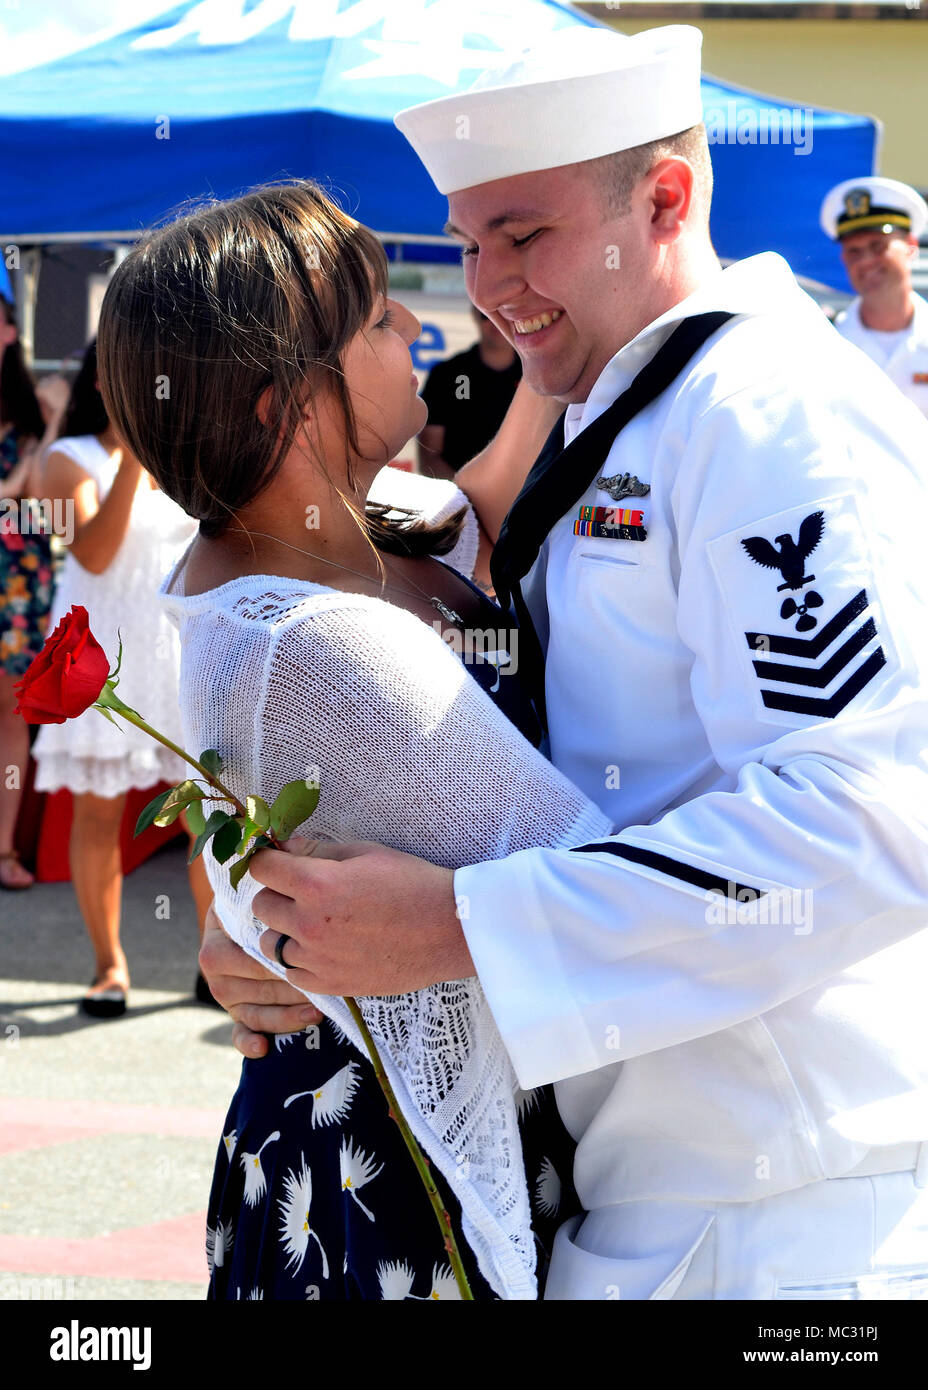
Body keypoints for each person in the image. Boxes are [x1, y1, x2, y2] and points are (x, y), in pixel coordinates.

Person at [211, 25, 928, 1300]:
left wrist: (459, 932)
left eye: (525, 236)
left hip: (789, 1205)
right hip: (665, 1175)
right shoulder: (626, 408)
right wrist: (280, 938)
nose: (486, 284)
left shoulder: (770, 413)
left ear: (664, 198)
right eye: (470, 241)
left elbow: (869, 822)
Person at [96, 181, 615, 1300]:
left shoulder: (299, 535)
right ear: (286, 407)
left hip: (332, 1123)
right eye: (378, 319)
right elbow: (603, 874)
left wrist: (549, 332)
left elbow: (471, 509)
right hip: (391, 1179)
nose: (417, 330)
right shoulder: (323, 651)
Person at [33, 340, 212, 1017]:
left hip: (176, 654)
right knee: (97, 811)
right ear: (103, 383)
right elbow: (96, 552)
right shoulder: (66, 458)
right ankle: (109, 967)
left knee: (204, 809)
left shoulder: (190, 457)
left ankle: (210, 957)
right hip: (99, 659)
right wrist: (136, 457)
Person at [0, 293, 52, 890]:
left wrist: (52, 428)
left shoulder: (36, 410)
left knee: (13, 713)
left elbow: (42, 497)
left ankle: (5, 851)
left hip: (19, 575)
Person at [820, 175, 928, 420]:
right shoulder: (824, 342)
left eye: (878, 246)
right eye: (854, 251)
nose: (866, 261)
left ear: (911, 246)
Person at [418, 304, 521, 480]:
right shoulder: (446, 374)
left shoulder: (538, 378)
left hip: (523, 497)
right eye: (487, 313)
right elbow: (429, 457)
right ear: (475, 314)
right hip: (460, 499)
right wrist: (468, 496)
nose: (497, 321)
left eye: (506, 313)